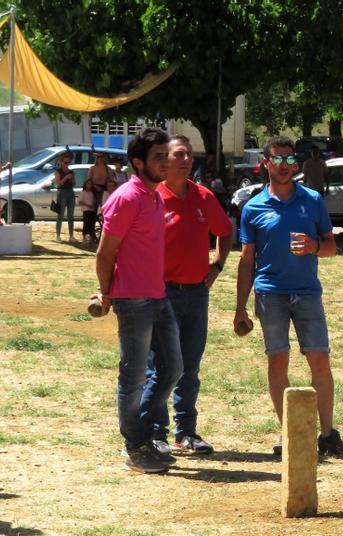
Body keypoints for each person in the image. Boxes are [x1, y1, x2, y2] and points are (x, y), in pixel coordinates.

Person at [233, 136, 343, 459]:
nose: (284, 165)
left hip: (307, 293)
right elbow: (246, 260)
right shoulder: (253, 207)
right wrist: (240, 307)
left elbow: (331, 247)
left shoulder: (312, 200)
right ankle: (290, 433)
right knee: (278, 361)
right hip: (270, 293)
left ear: (295, 165)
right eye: (277, 159)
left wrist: (314, 247)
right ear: (266, 163)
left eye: (289, 160)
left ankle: (327, 435)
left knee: (319, 360)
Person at [93, 127, 183, 474]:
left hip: (158, 295)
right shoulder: (127, 198)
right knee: (133, 376)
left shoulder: (154, 196)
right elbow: (105, 253)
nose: (166, 162)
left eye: (166, 155)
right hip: (132, 299)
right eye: (158, 157)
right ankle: (134, 445)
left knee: (173, 369)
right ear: (138, 162)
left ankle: (142, 434)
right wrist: (105, 292)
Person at [151, 135, 233, 456]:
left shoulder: (203, 196)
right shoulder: (153, 197)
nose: (186, 160)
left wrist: (218, 265)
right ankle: (155, 432)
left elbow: (226, 232)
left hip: (197, 293)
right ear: (164, 159)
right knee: (161, 366)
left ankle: (186, 433)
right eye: (179, 155)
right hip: (162, 294)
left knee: (190, 366)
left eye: (189, 155)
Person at [53, 153, 77, 241]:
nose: (67, 164)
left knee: (71, 215)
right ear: (61, 162)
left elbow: (74, 184)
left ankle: (71, 236)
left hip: (70, 192)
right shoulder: (58, 172)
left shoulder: (71, 172)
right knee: (60, 215)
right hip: (62, 193)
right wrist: (66, 178)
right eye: (65, 162)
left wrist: (72, 179)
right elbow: (58, 183)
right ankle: (58, 236)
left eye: (68, 162)